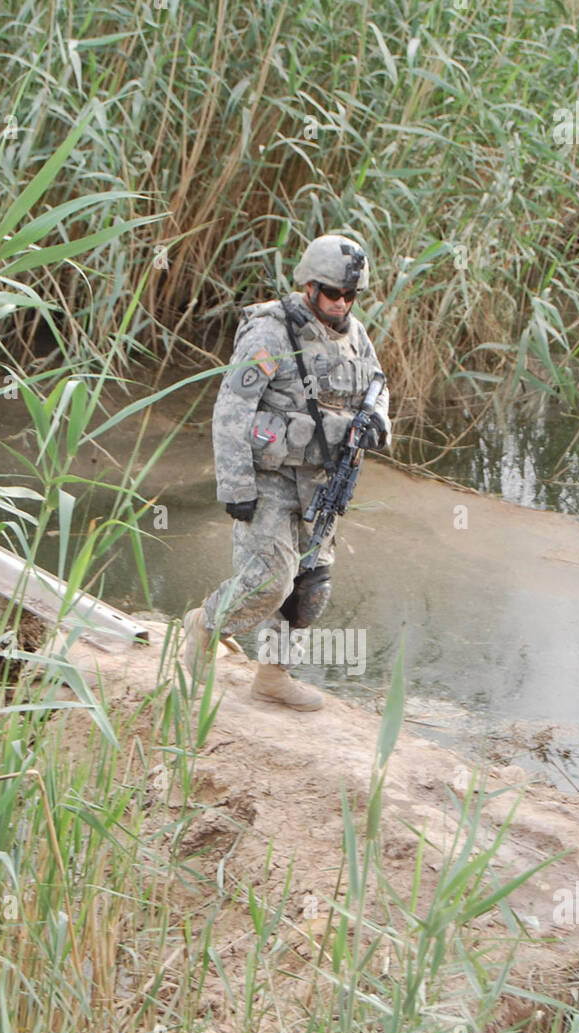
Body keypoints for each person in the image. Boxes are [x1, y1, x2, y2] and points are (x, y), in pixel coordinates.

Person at [183, 234, 390, 711]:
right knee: (269, 580)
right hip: (271, 479)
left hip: (324, 481)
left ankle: (273, 677)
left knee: (309, 588)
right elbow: (232, 407)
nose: (342, 304)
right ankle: (205, 625)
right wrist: (235, 487)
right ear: (309, 286)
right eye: (333, 294)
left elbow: (378, 385)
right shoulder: (271, 332)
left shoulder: (355, 337)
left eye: (350, 296)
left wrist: (377, 419)